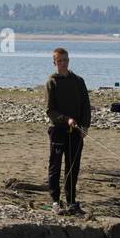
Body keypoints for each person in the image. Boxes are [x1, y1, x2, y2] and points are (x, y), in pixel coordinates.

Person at [44, 47, 91, 215]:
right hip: (57, 130)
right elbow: (50, 111)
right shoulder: (52, 82)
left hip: (76, 132)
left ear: (69, 61)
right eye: (59, 61)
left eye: (65, 60)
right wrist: (66, 119)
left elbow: (86, 105)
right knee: (55, 167)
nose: (63, 63)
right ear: (54, 62)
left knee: (73, 167)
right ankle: (55, 201)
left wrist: (85, 126)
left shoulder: (78, 81)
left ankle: (72, 201)